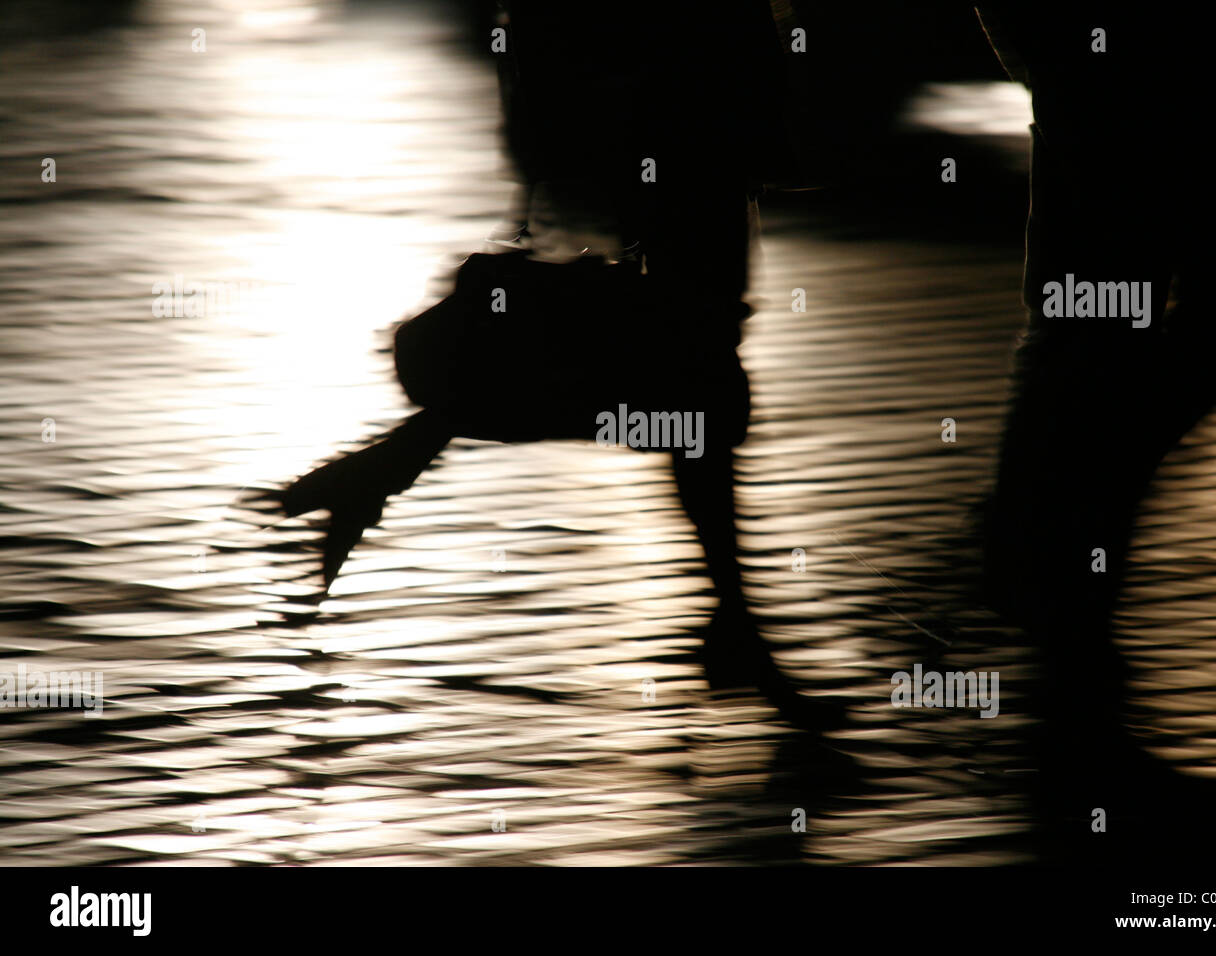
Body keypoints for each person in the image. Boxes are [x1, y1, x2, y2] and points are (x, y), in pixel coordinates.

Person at [278, 1, 847, 733]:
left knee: (702, 363)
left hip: (679, 82)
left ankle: (735, 628)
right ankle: (735, 631)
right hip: (678, 81)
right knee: (703, 369)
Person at [976, 0, 1216, 861]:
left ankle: (1046, 557)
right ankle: (1045, 543)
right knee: (1198, 295)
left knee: (1098, 310)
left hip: (1118, 39)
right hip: (1134, 36)